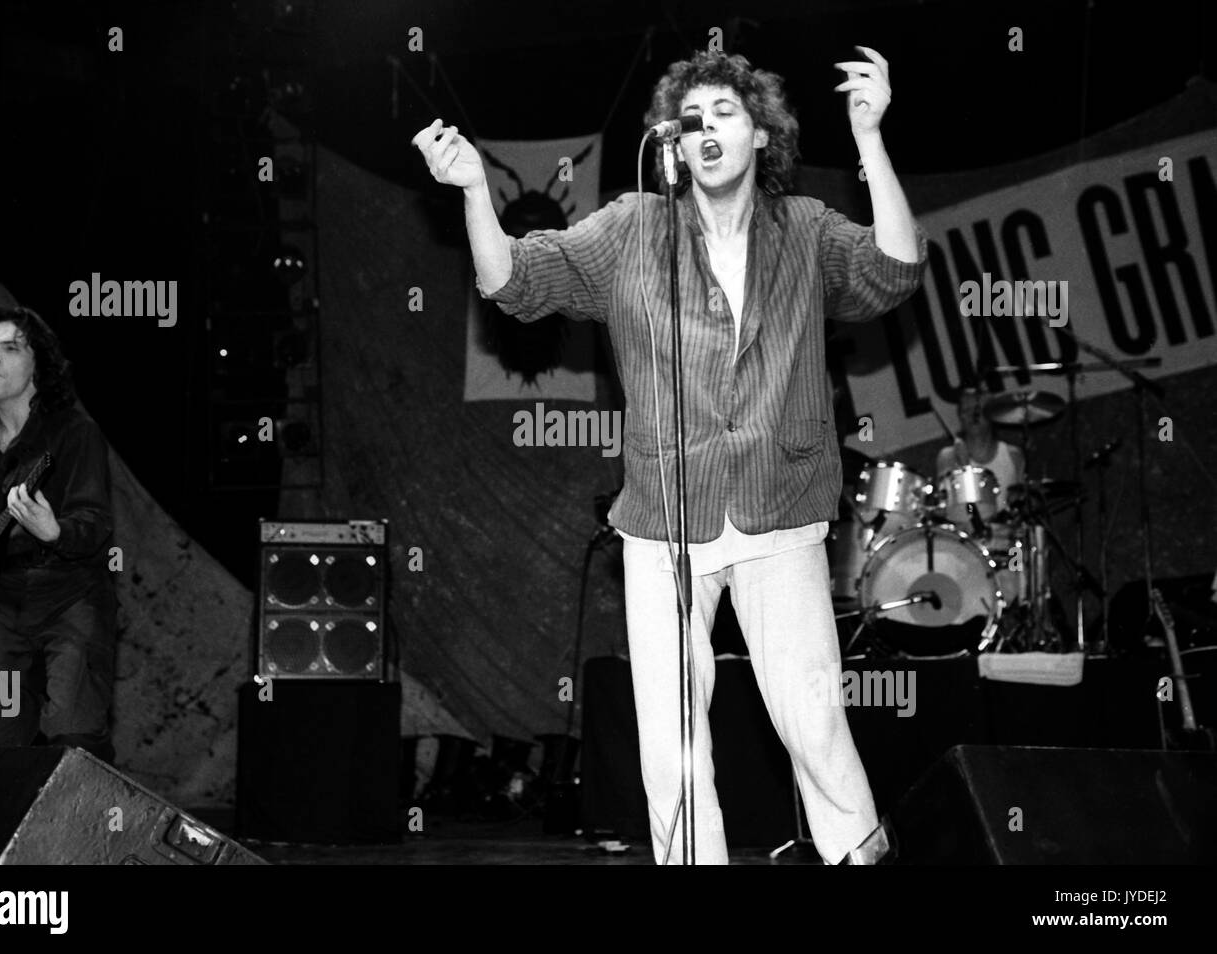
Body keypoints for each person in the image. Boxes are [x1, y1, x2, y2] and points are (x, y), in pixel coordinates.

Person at [414, 48, 926, 864]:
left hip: (780, 508)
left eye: (725, 114)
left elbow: (895, 271)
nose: (707, 130)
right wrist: (478, 191)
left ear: (761, 135)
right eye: (692, 122)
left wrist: (869, 139)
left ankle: (859, 860)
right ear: (675, 148)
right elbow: (517, 283)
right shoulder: (632, 228)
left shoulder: (803, 230)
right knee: (674, 747)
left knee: (816, 722)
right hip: (662, 522)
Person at [0, 306, 118, 763]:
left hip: (72, 596)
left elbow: (95, 523)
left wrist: (55, 531)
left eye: (10, 348)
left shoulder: (76, 433)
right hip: (5, 601)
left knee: (74, 739)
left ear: (38, 364)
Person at [934, 385, 1026, 517]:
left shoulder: (1013, 455)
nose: (973, 416)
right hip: (965, 534)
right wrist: (963, 468)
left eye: (979, 410)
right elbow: (963, 512)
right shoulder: (948, 457)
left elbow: (1022, 508)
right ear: (960, 416)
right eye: (967, 410)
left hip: (1005, 533)